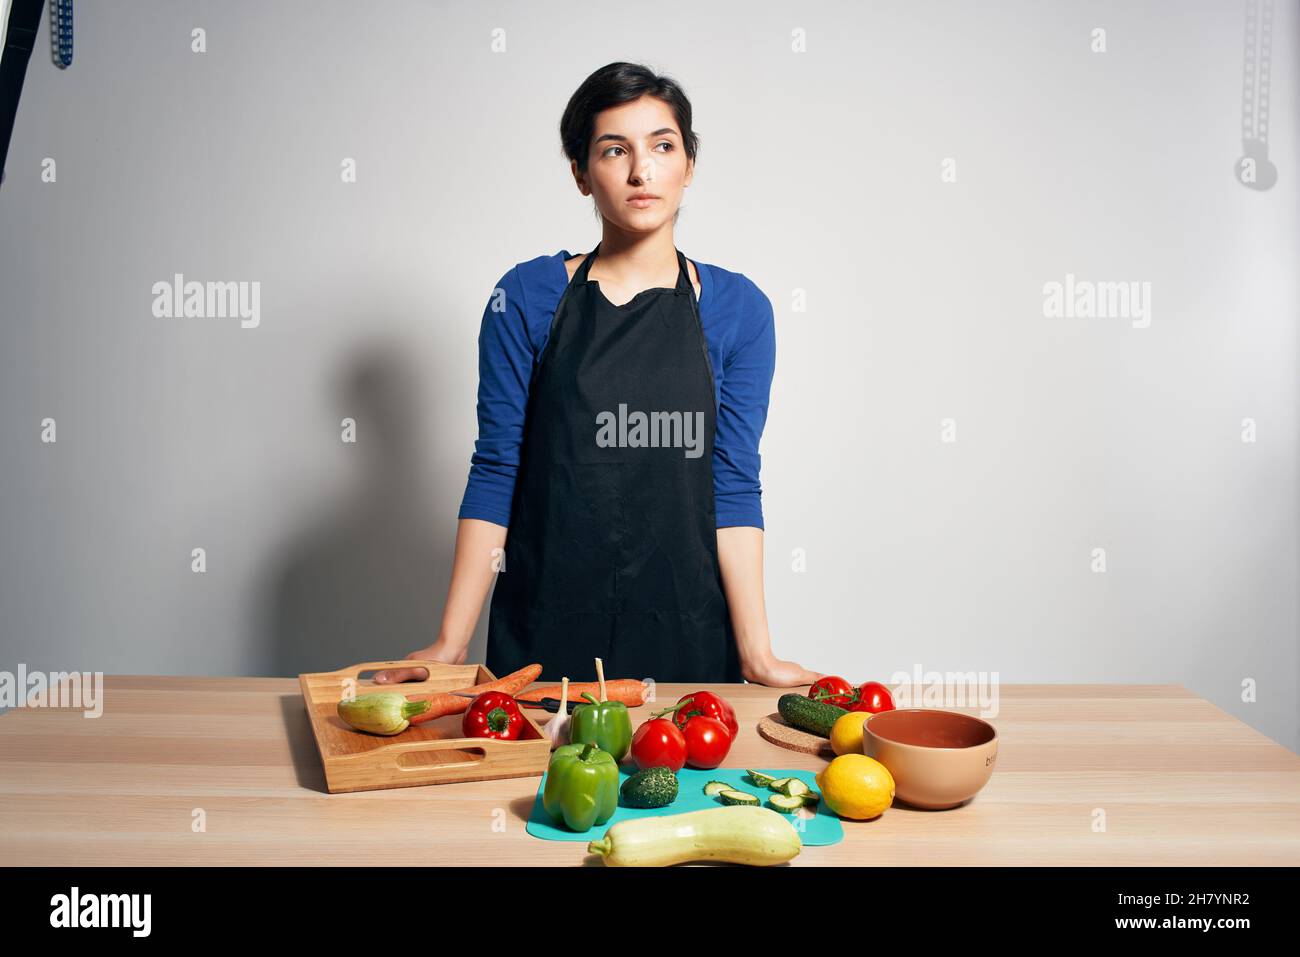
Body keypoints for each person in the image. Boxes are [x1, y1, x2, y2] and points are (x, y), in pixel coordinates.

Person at [375, 62, 822, 688]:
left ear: (689, 164)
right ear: (582, 174)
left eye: (663, 147)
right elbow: (497, 466)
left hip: (687, 638)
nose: (642, 171)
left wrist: (757, 653)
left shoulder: (740, 310)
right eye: (615, 151)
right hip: (544, 635)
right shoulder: (525, 297)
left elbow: (734, 484)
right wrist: (450, 644)